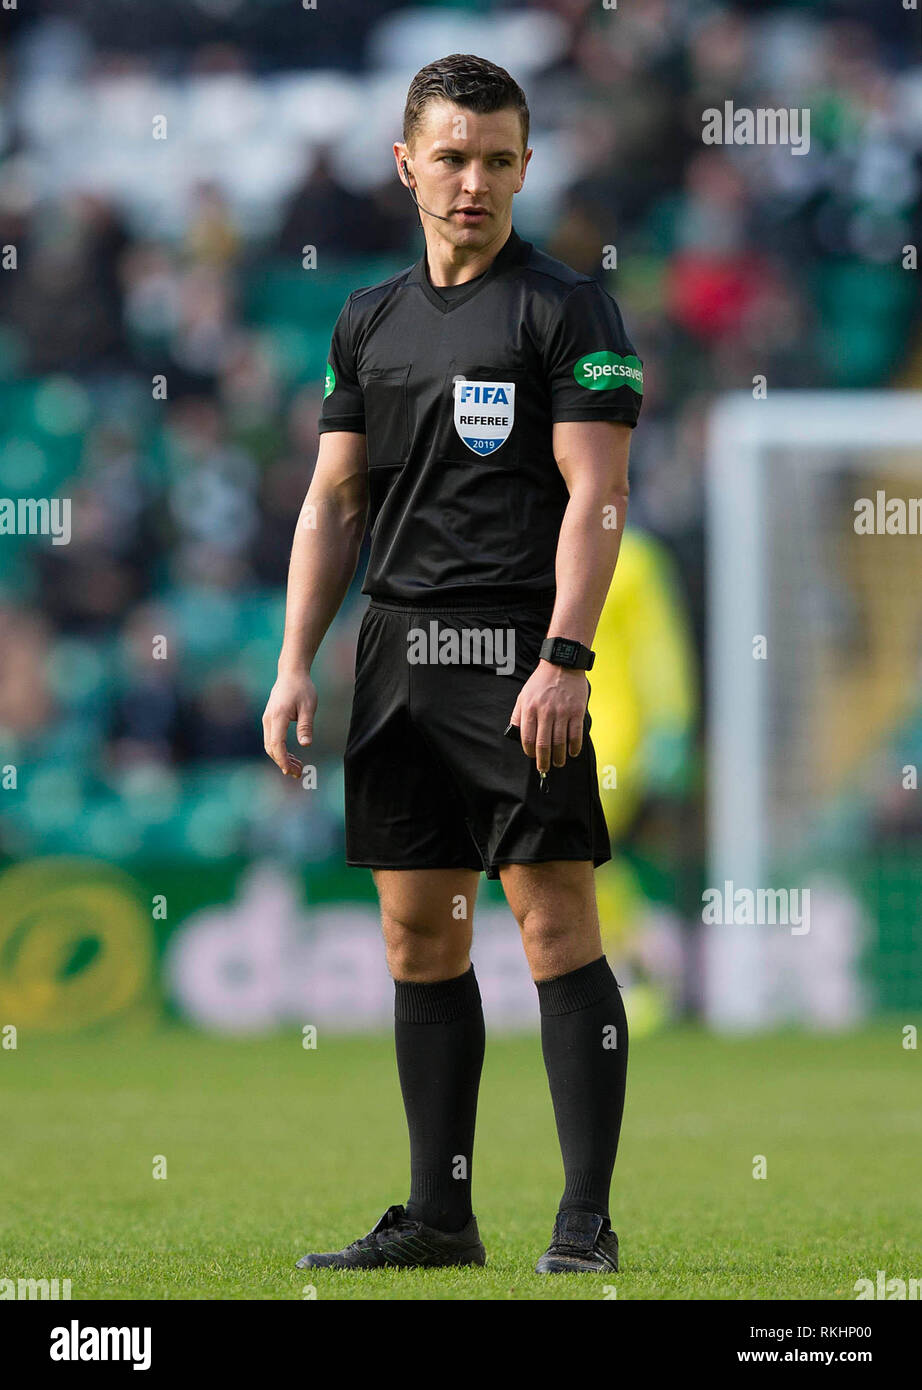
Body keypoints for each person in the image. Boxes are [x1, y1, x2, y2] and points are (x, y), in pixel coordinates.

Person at [262, 53, 643, 1274]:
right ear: (404, 163)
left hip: (517, 652)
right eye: (450, 157)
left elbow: (599, 497)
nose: (471, 181)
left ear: (525, 167)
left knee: (551, 925)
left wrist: (566, 655)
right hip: (396, 651)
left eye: (495, 160)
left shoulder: (568, 309)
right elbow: (332, 505)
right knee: (418, 937)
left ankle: (583, 1220)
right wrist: (292, 664)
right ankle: (440, 1216)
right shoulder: (363, 319)